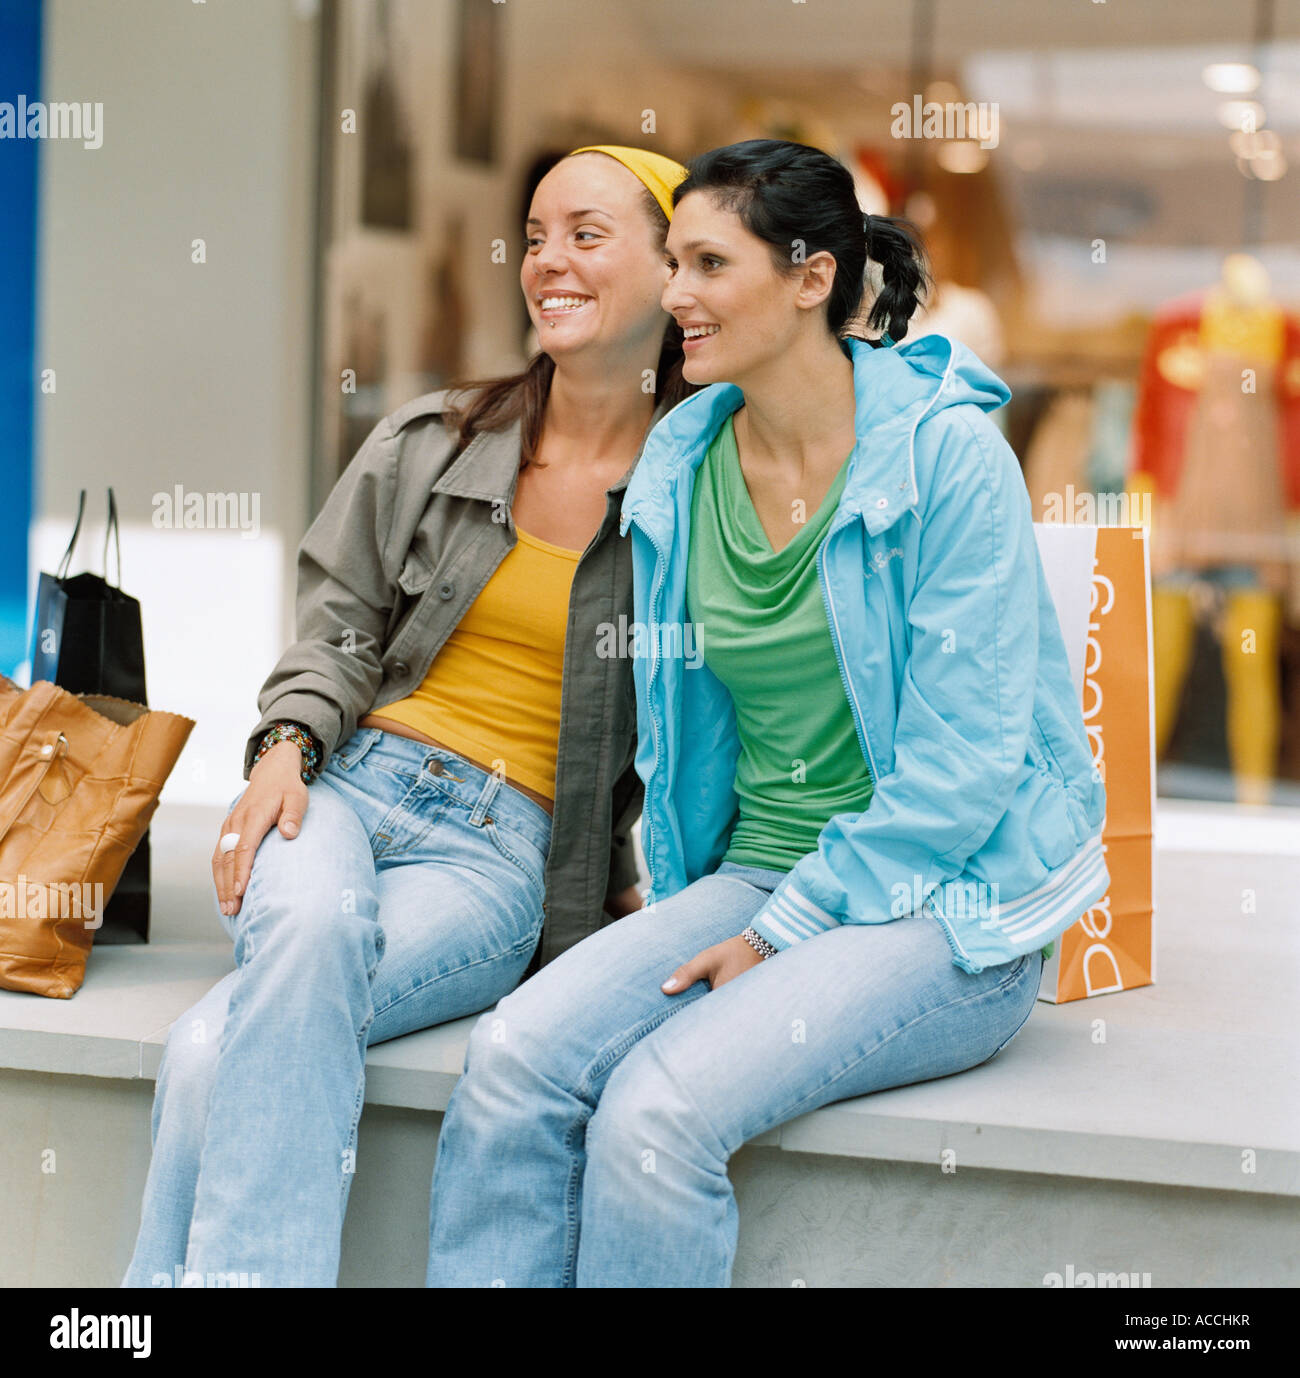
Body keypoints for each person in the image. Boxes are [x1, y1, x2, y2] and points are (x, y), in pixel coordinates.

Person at [424, 139, 1110, 1288]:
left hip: (945, 907)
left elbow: (962, 770)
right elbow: (685, 728)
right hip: (759, 876)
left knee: (653, 1113)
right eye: (673, 261)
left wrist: (785, 930)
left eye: (705, 262)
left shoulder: (947, 461)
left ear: (810, 278)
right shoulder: (682, 463)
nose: (673, 293)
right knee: (509, 1059)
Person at [122, 144, 692, 1288]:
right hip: (345, 785)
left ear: (678, 272)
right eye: (534, 237)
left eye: (586, 234)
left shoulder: (700, 488)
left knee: (204, 1050)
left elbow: (709, 713)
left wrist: (649, 882)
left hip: (496, 855)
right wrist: (285, 748)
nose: (548, 262)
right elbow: (339, 619)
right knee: (302, 941)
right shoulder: (435, 440)